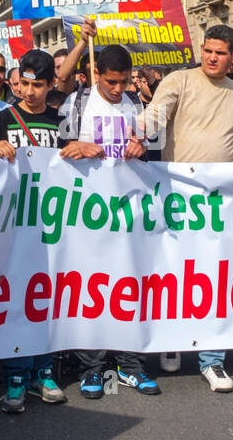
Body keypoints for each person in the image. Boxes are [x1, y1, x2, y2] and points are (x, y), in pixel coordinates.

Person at [140, 24, 233, 391]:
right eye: (207, 50)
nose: (212, 58)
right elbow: (157, 115)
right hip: (177, 193)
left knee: (214, 277)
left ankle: (212, 359)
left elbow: (232, 145)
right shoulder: (179, 80)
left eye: (219, 52)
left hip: (218, 199)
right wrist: (138, 129)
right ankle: (172, 343)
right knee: (174, 274)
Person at [58, 44, 160, 397]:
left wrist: (141, 147)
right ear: (97, 74)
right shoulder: (77, 103)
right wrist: (77, 148)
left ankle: (130, 365)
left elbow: (153, 151)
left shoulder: (136, 105)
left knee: (129, 286)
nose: (118, 89)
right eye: (111, 82)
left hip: (128, 213)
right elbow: (53, 154)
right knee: (91, 289)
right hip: (87, 213)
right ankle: (93, 368)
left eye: (124, 82)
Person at [0, 50, 68, 411]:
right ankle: (17, 375)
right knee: (18, 298)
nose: (29, 92)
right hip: (14, 227)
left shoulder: (61, 120)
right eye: (25, 84)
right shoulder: (5, 118)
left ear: (51, 85)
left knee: (47, 299)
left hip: (53, 228)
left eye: (38, 85)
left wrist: (79, 148)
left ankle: (44, 371)